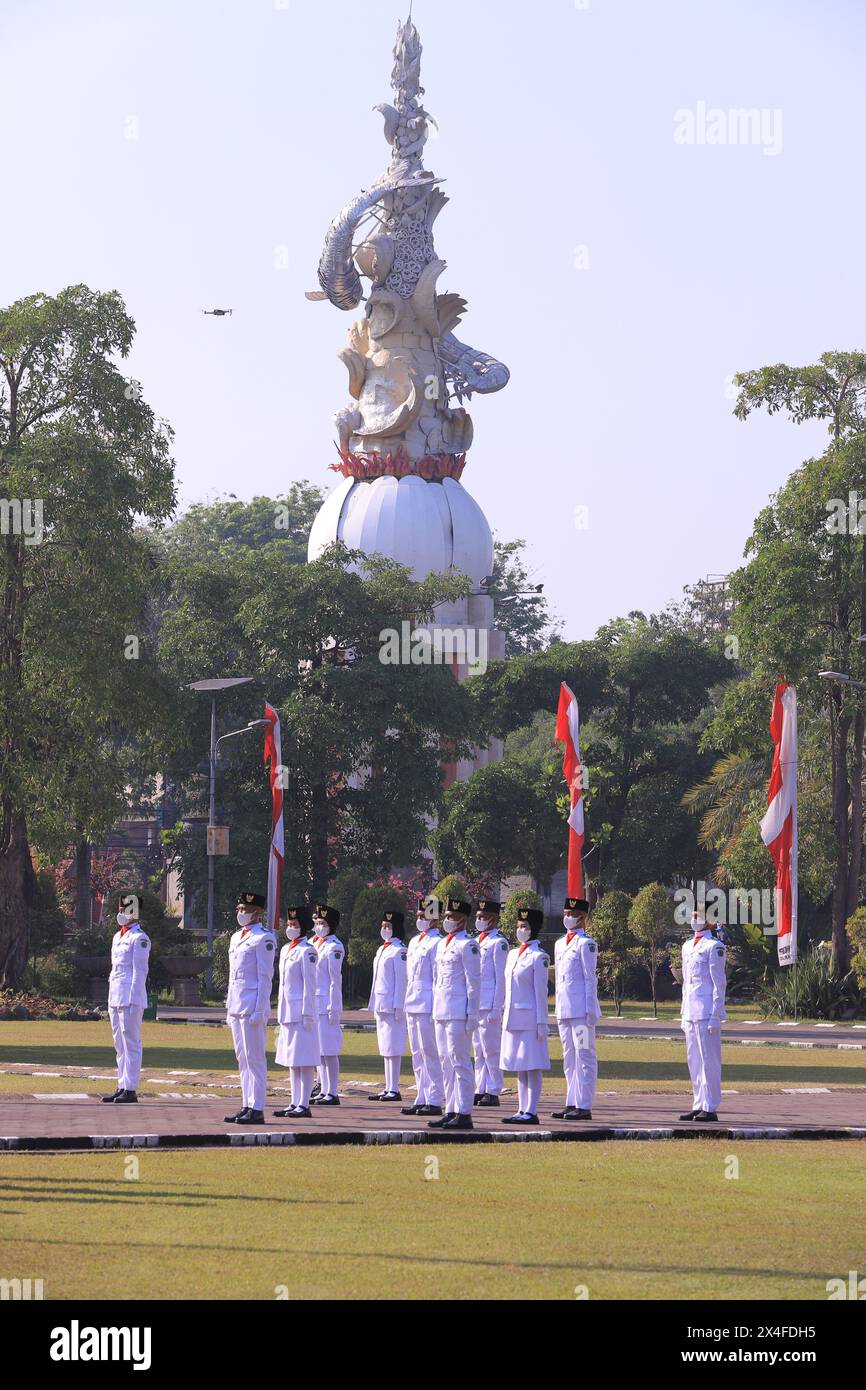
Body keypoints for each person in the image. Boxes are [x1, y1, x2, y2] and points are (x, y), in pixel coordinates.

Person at [224, 890, 276, 1126]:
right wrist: (228, 1007)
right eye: (240, 909)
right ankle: (246, 1103)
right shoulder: (237, 937)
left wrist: (260, 1008)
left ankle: (257, 1107)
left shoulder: (263, 938)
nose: (240, 912)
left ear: (256, 913)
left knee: (255, 1058)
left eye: (244, 909)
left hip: (252, 1005)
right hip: (237, 1004)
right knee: (242, 1058)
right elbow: (232, 977)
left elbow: (266, 977)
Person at [428, 896, 481, 1130]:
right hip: (441, 1009)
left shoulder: (467, 945)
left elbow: (474, 983)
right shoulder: (442, 944)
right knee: (445, 1061)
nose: (448, 920)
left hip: (459, 1012)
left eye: (453, 917)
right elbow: (436, 979)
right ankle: (450, 1109)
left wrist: (472, 1014)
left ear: (463, 920)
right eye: (446, 916)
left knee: (460, 1061)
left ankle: (465, 1112)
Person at [552, 896, 601, 1121]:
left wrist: (591, 1009)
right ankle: (571, 1101)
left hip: (581, 1011)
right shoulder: (560, 943)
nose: (567, 917)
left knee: (584, 1056)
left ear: (582, 917)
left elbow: (590, 978)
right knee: (568, 1057)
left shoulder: (586, 944)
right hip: (564, 1009)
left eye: (571, 914)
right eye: (566, 913)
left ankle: (584, 1105)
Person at [500, 908, 550, 1125]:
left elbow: (541, 992)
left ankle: (532, 1110)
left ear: (534, 930)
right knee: (519, 1065)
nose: (521, 930)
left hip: (530, 1018)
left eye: (526, 927)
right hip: (513, 1017)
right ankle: (521, 1108)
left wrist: (542, 1022)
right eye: (519, 926)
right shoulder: (512, 954)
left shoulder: (539, 957)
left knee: (533, 1064)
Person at [102, 893, 150, 1105]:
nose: (121, 914)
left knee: (131, 1043)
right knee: (119, 1044)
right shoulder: (117, 936)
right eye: (120, 910)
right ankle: (121, 1084)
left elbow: (140, 972)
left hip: (130, 997)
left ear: (134, 913)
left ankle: (130, 1088)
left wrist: (133, 999)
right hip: (116, 995)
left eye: (125, 910)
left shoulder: (139, 939)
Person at [679, 911, 727, 1122]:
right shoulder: (687, 946)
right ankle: (698, 1102)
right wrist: (682, 1012)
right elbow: (686, 983)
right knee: (694, 1060)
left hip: (707, 1011)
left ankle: (710, 1106)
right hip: (691, 1010)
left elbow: (719, 984)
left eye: (698, 915)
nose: (694, 919)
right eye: (692, 915)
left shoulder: (714, 946)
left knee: (709, 1061)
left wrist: (716, 1014)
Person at [273, 907, 321, 1119]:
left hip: (302, 1012)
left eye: (295, 925)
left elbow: (310, 985)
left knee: (305, 1059)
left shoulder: (308, 951)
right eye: (289, 924)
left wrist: (309, 1013)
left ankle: (304, 1104)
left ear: (303, 927)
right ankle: (294, 1101)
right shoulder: (286, 950)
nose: (290, 928)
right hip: (287, 1010)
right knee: (292, 1059)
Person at [401, 895, 445, 1117]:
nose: (419, 919)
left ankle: (435, 1098)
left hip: (428, 1002)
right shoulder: (415, 941)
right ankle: (421, 1096)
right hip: (412, 1000)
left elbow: (438, 978)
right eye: (417, 915)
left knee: (431, 1052)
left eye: (424, 916)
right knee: (417, 1053)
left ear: (434, 919)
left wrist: (436, 1007)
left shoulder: (437, 943)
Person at [368, 910, 409, 1101]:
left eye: (389, 927)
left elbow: (402, 981)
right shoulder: (382, 949)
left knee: (393, 1048)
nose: (385, 929)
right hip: (381, 1003)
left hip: (393, 1005)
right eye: (383, 926)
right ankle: (387, 1087)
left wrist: (399, 1006)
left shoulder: (400, 951)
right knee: (385, 1047)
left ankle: (394, 1088)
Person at [472, 898, 508, 1108]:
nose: (479, 920)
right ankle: (480, 1087)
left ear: (493, 919)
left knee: (491, 1049)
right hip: (476, 1003)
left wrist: (497, 1007)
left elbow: (500, 978)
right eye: (478, 917)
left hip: (489, 1003)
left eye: (483, 917)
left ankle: (494, 1089)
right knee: (478, 1049)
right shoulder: (476, 941)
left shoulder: (498, 943)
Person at [311, 903, 344, 1106]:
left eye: (322, 923)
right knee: (320, 1051)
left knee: (329, 1050)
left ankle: (332, 1091)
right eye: (316, 922)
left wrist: (334, 1006)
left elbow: (335, 980)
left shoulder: (334, 947)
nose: (318, 926)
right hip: (315, 1003)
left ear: (330, 925)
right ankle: (323, 1090)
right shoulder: (315, 944)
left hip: (326, 1003)